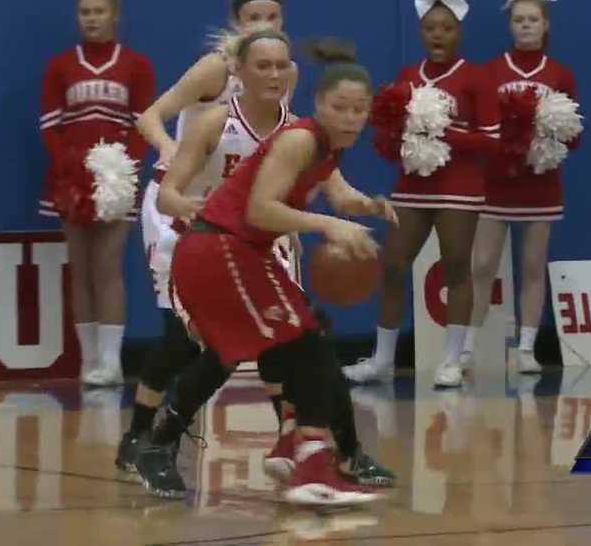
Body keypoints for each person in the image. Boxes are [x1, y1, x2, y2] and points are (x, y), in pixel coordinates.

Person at [135, 32, 396, 505]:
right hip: (213, 243)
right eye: (263, 65)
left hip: (251, 248)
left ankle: (313, 450)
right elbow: (242, 206)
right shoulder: (243, 126)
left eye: (281, 65)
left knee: (296, 341)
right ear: (238, 71)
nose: (275, 74)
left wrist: (367, 206)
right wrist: (328, 225)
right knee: (282, 343)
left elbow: (338, 194)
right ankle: (311, 458)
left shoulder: (312, 137)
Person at [344, 0, 498, 388]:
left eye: (446, 27)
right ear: (420, 32)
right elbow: (390, 134)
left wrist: (444, 132)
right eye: (430, 28)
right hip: (412, 186)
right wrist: (395, 139)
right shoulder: (407, 77)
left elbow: (492, 141)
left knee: (456, 266)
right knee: (393, 266)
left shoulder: (477, 77)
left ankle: (452, 361)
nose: (438, 35)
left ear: (459, 32)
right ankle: (382, 359)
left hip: (459, 188)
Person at [38, 0, 154, 386]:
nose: (91, 18)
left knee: (107, 267)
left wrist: (125, 171)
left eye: (99, 11)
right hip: (71, 180)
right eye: (85, 12)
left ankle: (111, 361)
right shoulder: (61, 66)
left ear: (115, 14)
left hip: (115, 180)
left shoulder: (136, 66)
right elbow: (50, 126)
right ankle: (89, 360)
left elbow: (143, 126)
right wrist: (66, 167)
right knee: (81, 268)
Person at [465, 0, 579, 375]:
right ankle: (466, 348)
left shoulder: (560, 74)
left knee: (532, 265)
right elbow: (479, 129)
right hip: (496, 183)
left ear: (546, 24)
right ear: (510, 25)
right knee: (482, 265)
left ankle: (527, 348)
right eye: (519, 20)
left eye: (533, 19)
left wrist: (551, 137)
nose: (526, 26)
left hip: (541, 184)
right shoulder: (490, 71)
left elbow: (574, 135)